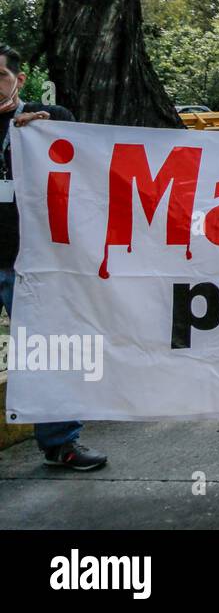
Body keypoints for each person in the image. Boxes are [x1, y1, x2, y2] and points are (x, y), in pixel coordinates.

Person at [0, 45, 108, 471]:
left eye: (0, 77)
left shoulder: (46, 118)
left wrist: (50, 131)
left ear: (19, 80)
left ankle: (61, 442)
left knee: (46, 352)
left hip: (27, 261)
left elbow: (85, 154)